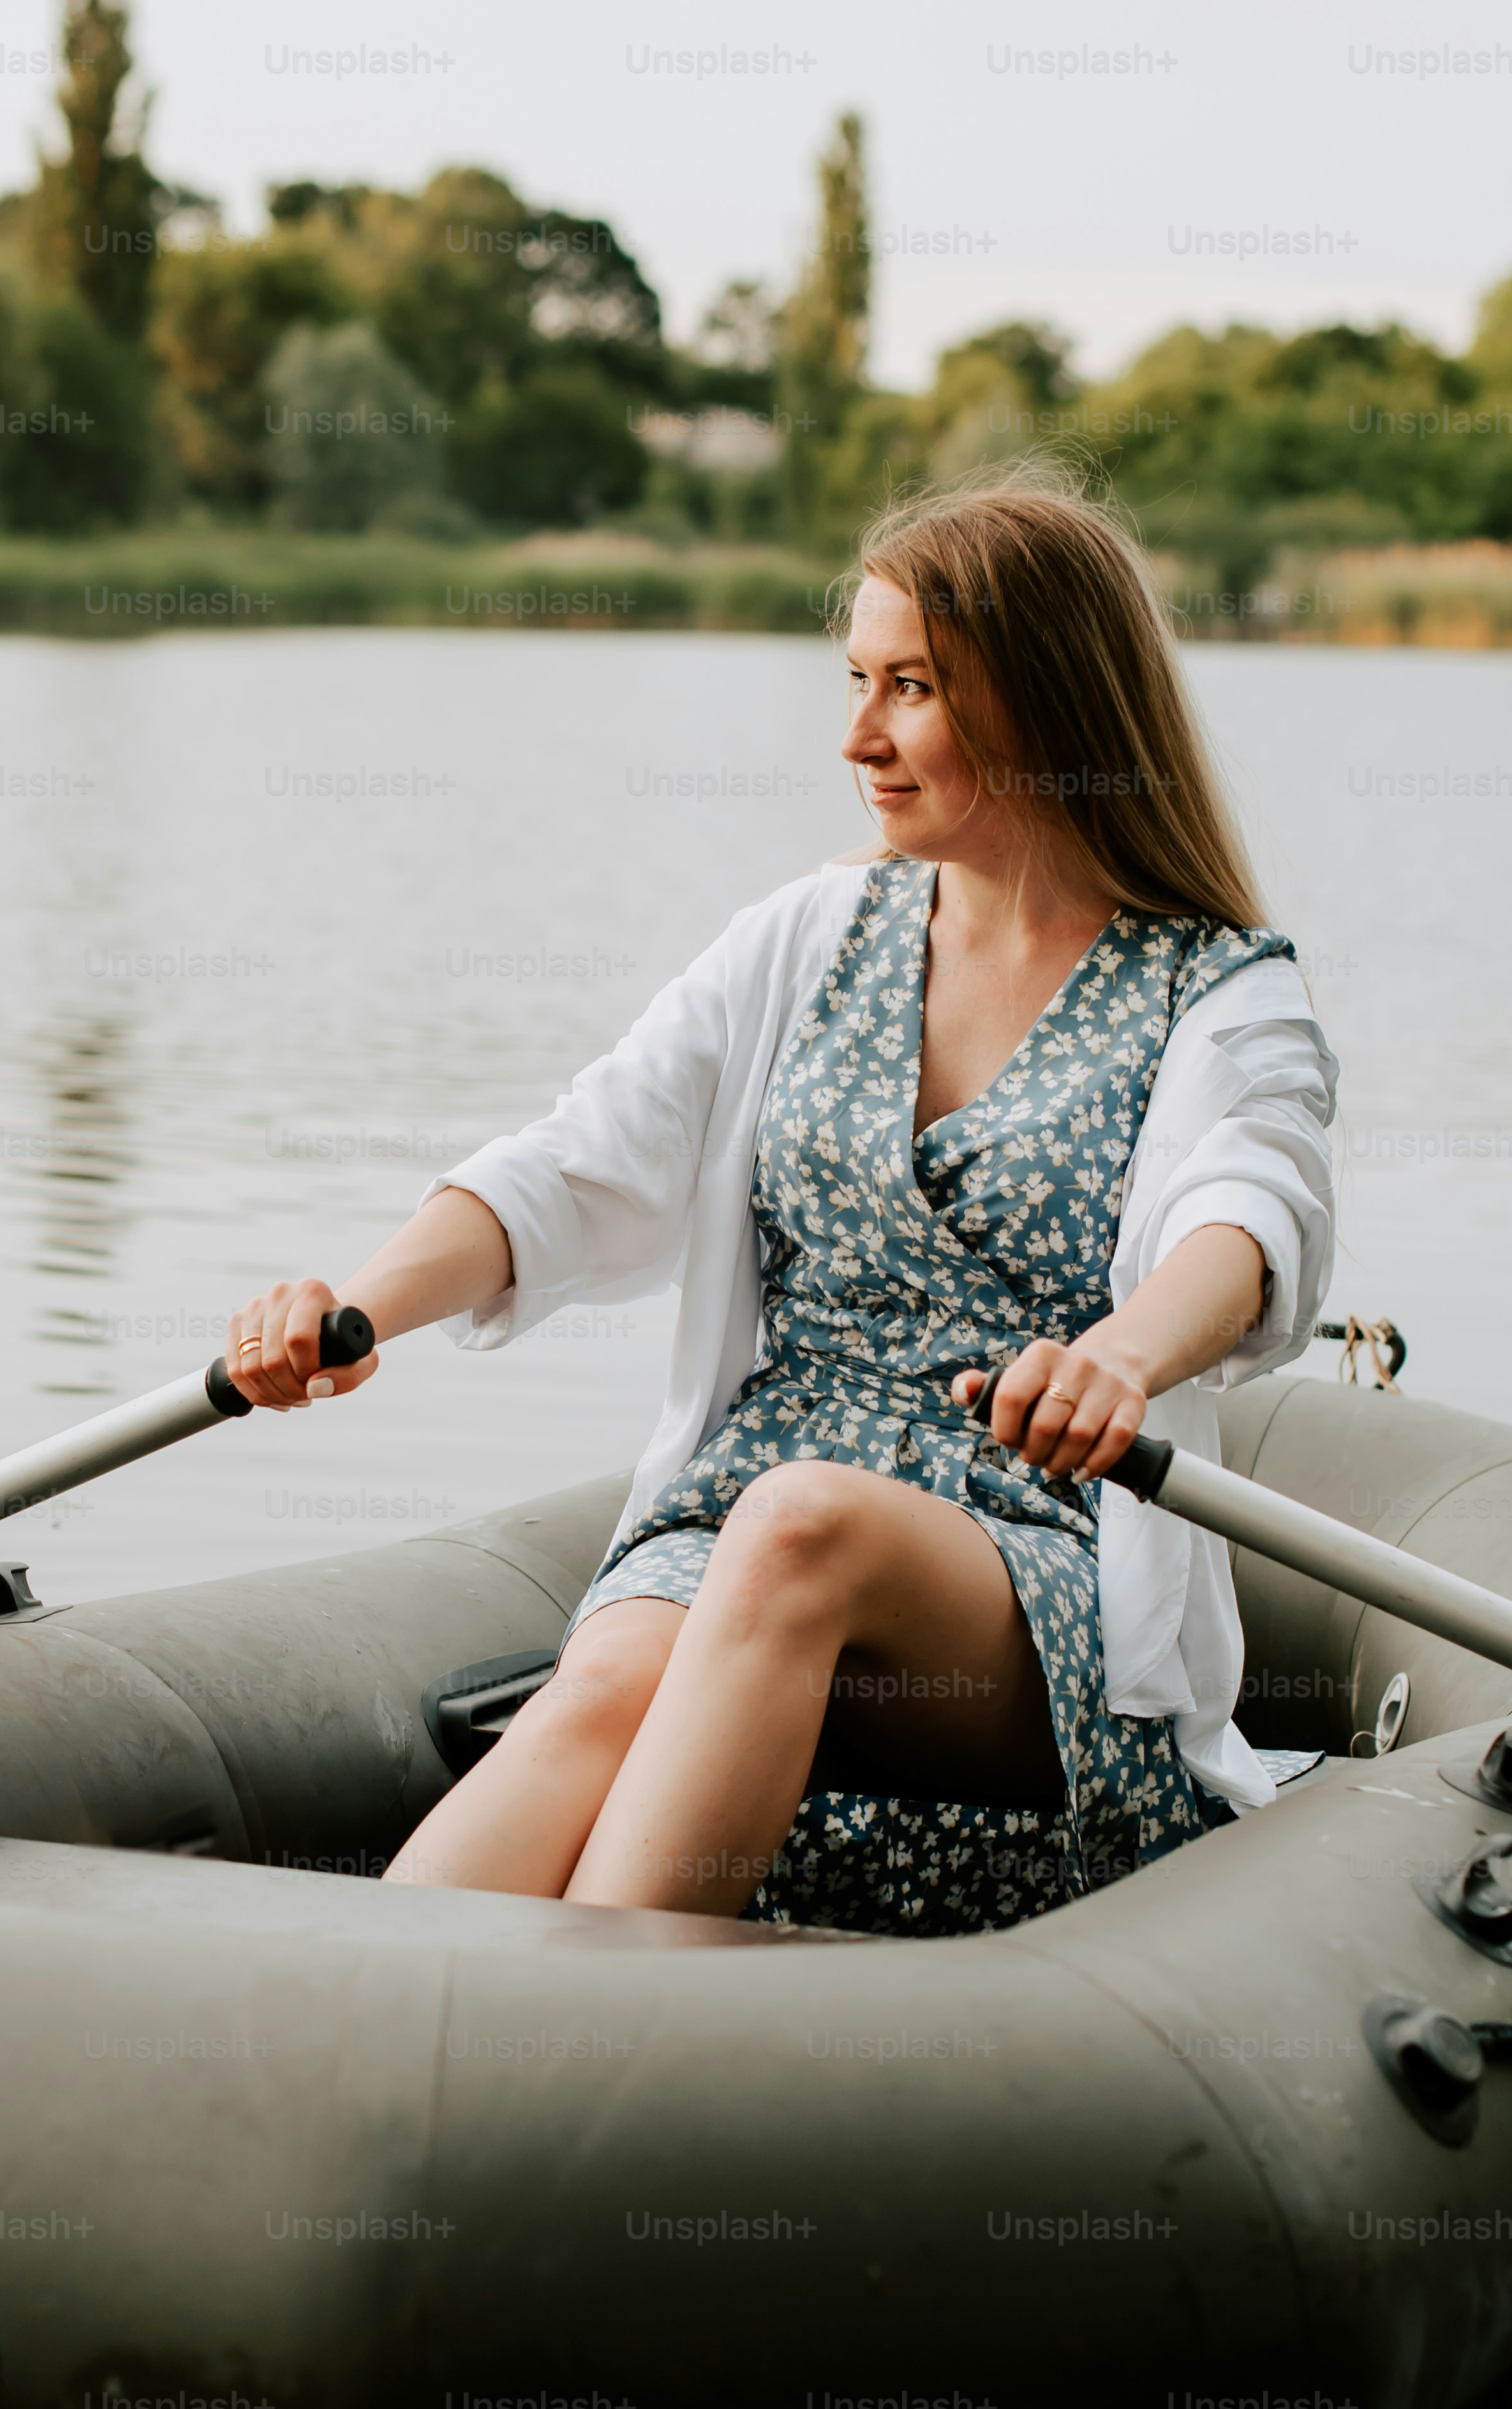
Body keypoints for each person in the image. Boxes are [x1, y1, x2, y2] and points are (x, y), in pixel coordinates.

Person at [221, 466, 1337, 1936]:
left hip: (1026, 1553)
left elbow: (1245, 1216)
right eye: (857, 680)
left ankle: (567, 2047)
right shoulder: (808, 933)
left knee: (800, 1527)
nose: (857, 735)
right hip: (736, 1503)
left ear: (1047, 704)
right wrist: (358, 1304)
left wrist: (1120, 1355)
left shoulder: (1219, 990)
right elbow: (579, 1159)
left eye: (911, 688)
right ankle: (343, 2019)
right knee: (620, 1667)